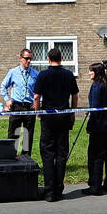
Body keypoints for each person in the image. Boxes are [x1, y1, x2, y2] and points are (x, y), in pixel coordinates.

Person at [33, 48, 79, 202]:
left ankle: (49, 191)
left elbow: (37, 96)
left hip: (48, 117)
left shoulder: (43, 75)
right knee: (61, 153)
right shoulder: (68, 74)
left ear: (48, 59)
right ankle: (59, 189)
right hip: (64, 116)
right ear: (61, 59)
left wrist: (38, 112)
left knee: (47, 153)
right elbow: (75, 95)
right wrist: (72, 111)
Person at [84, 62, 107, 195]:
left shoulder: (96, 86)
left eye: (91, 71)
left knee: (95, 156)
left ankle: (95, 186)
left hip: (99, 126)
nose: (89, 73)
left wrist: (89, 125)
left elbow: (94, 109)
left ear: (96, 73)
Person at [0, 48, 40, 155]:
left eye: (30, 59)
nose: (29, 61)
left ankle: (26, 160)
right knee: (13, 134)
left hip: (29, 108)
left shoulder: (35, 74)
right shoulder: (13, 72)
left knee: (27, 135)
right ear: (20, 58)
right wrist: (7, 100)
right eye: (26, 58)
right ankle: (10, 158)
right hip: (16, 106)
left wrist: (37, 102)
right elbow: (3, 86)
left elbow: (41, 90)